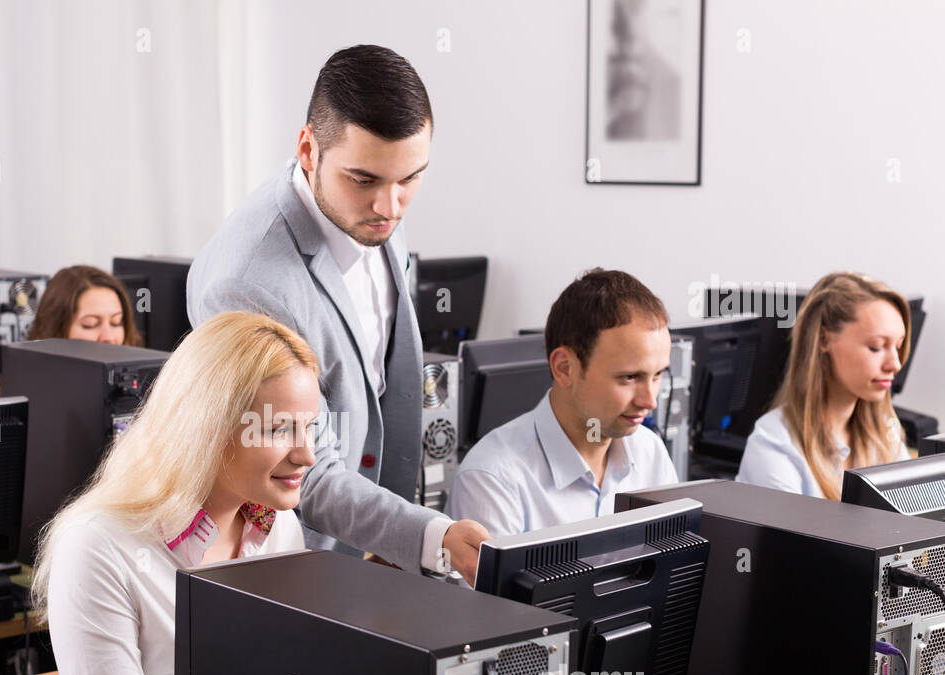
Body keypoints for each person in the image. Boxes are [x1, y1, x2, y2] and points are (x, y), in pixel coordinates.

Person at [186, 44, 488, 585]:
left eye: (410, 179)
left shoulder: (372, 210)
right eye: (365, 180)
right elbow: (306, 470)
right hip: (289, 561)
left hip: (375, 547)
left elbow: (383, 386)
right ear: (308, 149)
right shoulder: (248, 282)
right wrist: (432, 536)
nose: (390, 207)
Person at [32, 312, 315, 675]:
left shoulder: (278, 529)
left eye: (310, 427)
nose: (308, 454)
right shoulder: (98, 546)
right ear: (208, 428)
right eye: (279, 429)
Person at [447, 269, 679, 536]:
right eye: (629, 377)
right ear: (565, 368)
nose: (650, 400)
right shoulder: (492, 479)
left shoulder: (650, 452)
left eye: (658, 374)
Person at [736, 272, 910, 499]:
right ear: (824, 340)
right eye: (876, 347)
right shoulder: (774, 443)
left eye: (898, 346)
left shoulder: (885, 433)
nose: (895, 364)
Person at [0, 265, 143, 399]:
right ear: (56, 329)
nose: (109, 337)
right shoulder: (11, 389)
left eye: (116, 322)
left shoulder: (138, 386)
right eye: (90, 324)